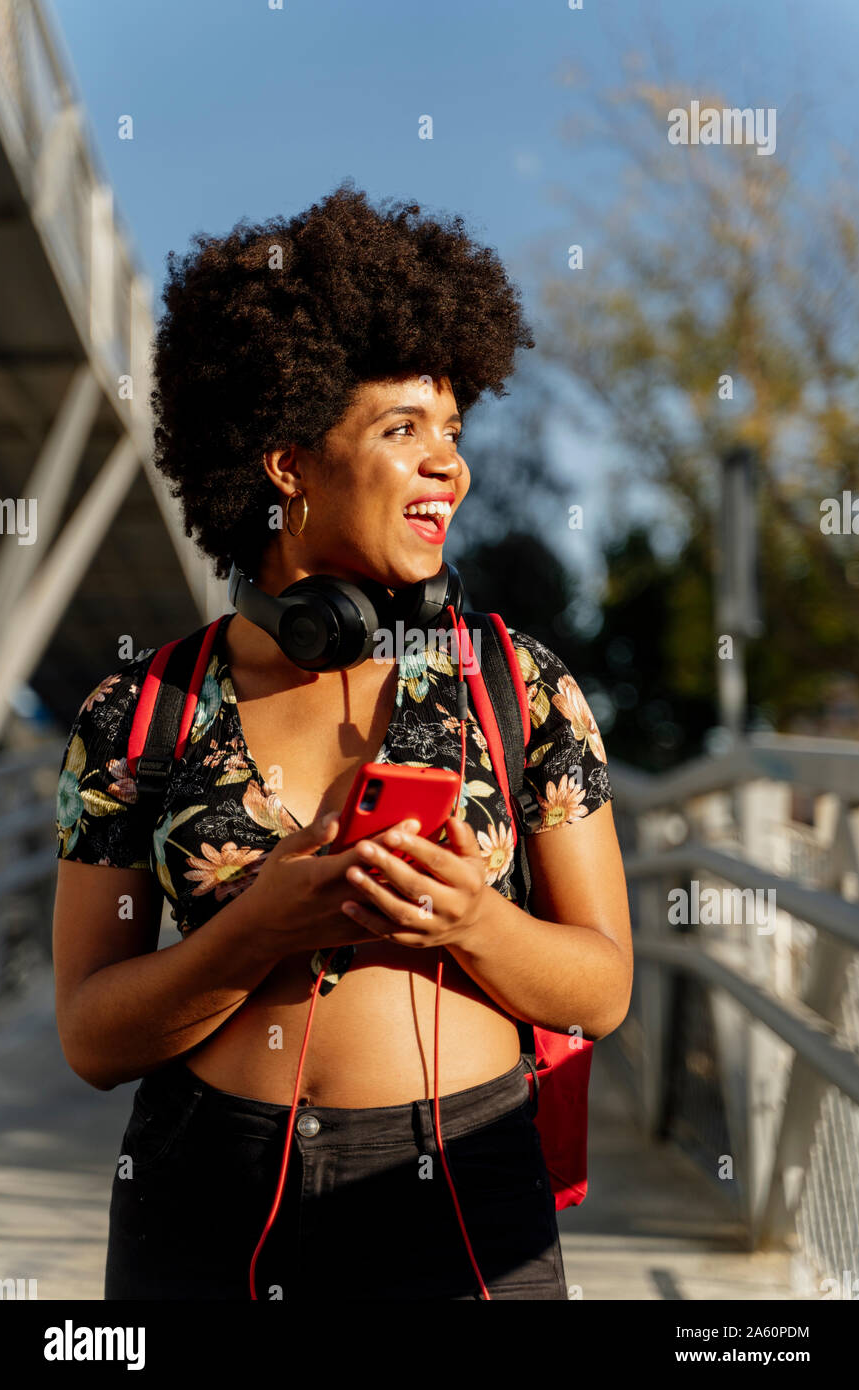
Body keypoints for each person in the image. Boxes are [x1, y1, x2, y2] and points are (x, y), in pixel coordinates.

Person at [52, 183, 632, 1301]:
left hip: (464, 1183)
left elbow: (599, 988)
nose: (447, 465)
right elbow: (89, 1032)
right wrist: (252, 932)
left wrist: (474, 918)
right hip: (201, 1194)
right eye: (400, 429)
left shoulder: (522, 689)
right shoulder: (138, 714)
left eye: (452, 431)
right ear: (286, 464)